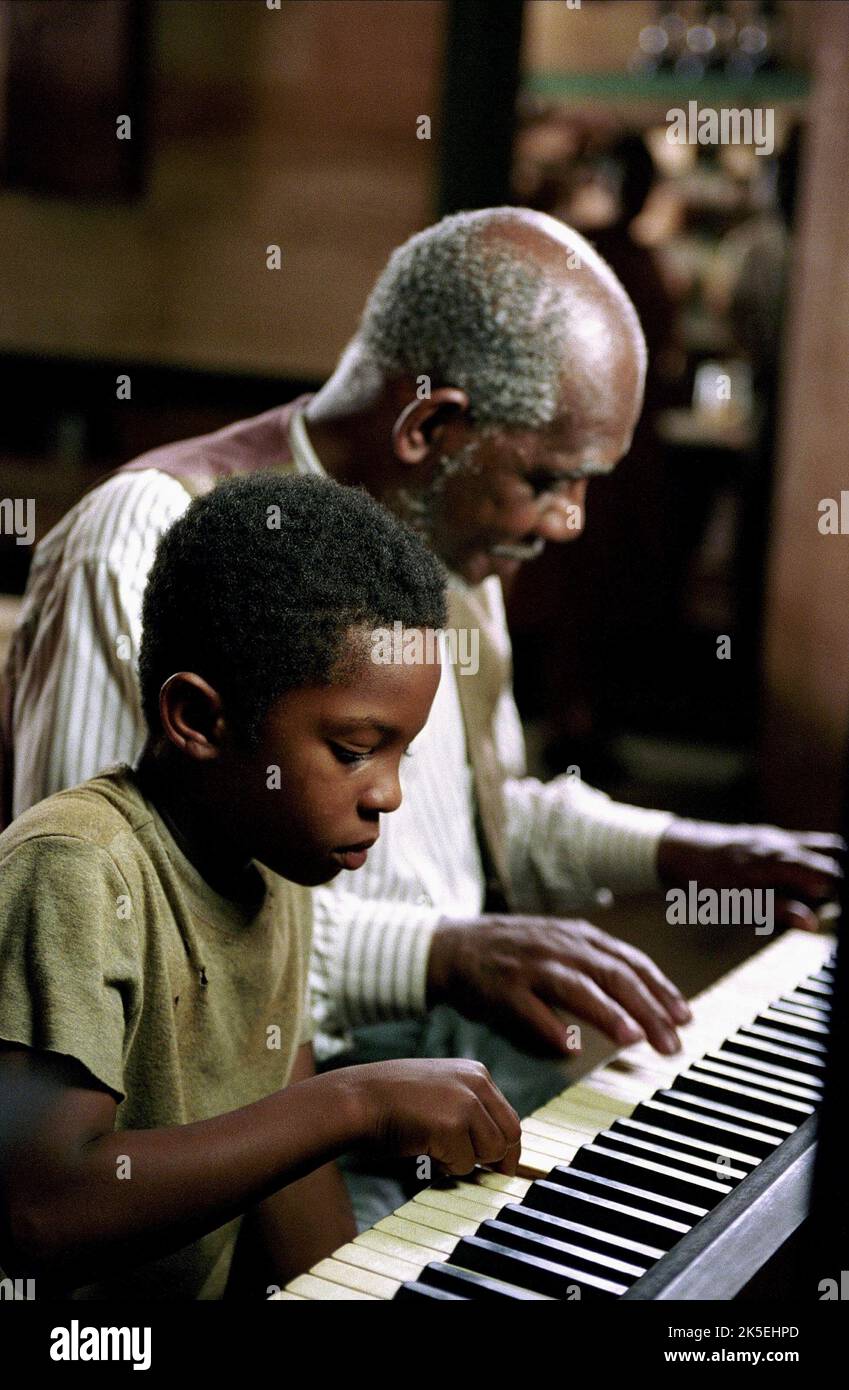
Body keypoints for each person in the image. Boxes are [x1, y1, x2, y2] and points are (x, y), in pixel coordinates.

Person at [0, 209, 841, 1226]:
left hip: (441, 1056)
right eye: (547, 476)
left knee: (718, 1212)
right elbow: (137, 945)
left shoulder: (443, 542)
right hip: (269, 1110)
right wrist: (441, 953)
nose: (569, 521)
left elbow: (481, 818)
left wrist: (692, 852)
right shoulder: (151, 536)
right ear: (430, 429)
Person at [0, 473, 524, 1299]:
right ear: (200, 720)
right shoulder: (75, 866)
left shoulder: (272, 866)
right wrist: (358, 1103)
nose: (388, 794)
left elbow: (292, 1179)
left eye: (401, 754)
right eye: (355, 749)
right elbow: (39, 1207)